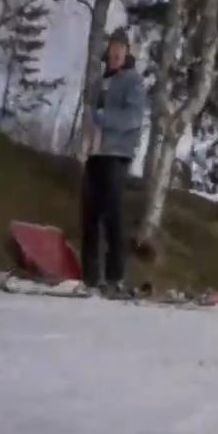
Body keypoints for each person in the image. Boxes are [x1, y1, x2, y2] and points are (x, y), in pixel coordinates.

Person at [82, 28, 147, 295]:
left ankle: (114, 277)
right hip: (94, 153)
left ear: (127, 52)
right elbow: (89, 115)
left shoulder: (133, 81)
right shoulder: (99, 81)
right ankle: (89, 278)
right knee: (89, 216)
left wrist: (102, 116)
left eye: (122, 47)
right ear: (108, 51)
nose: (117, 52)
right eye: (113, 47)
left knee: (112, 216)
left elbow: (132, 119)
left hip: (117, 156)